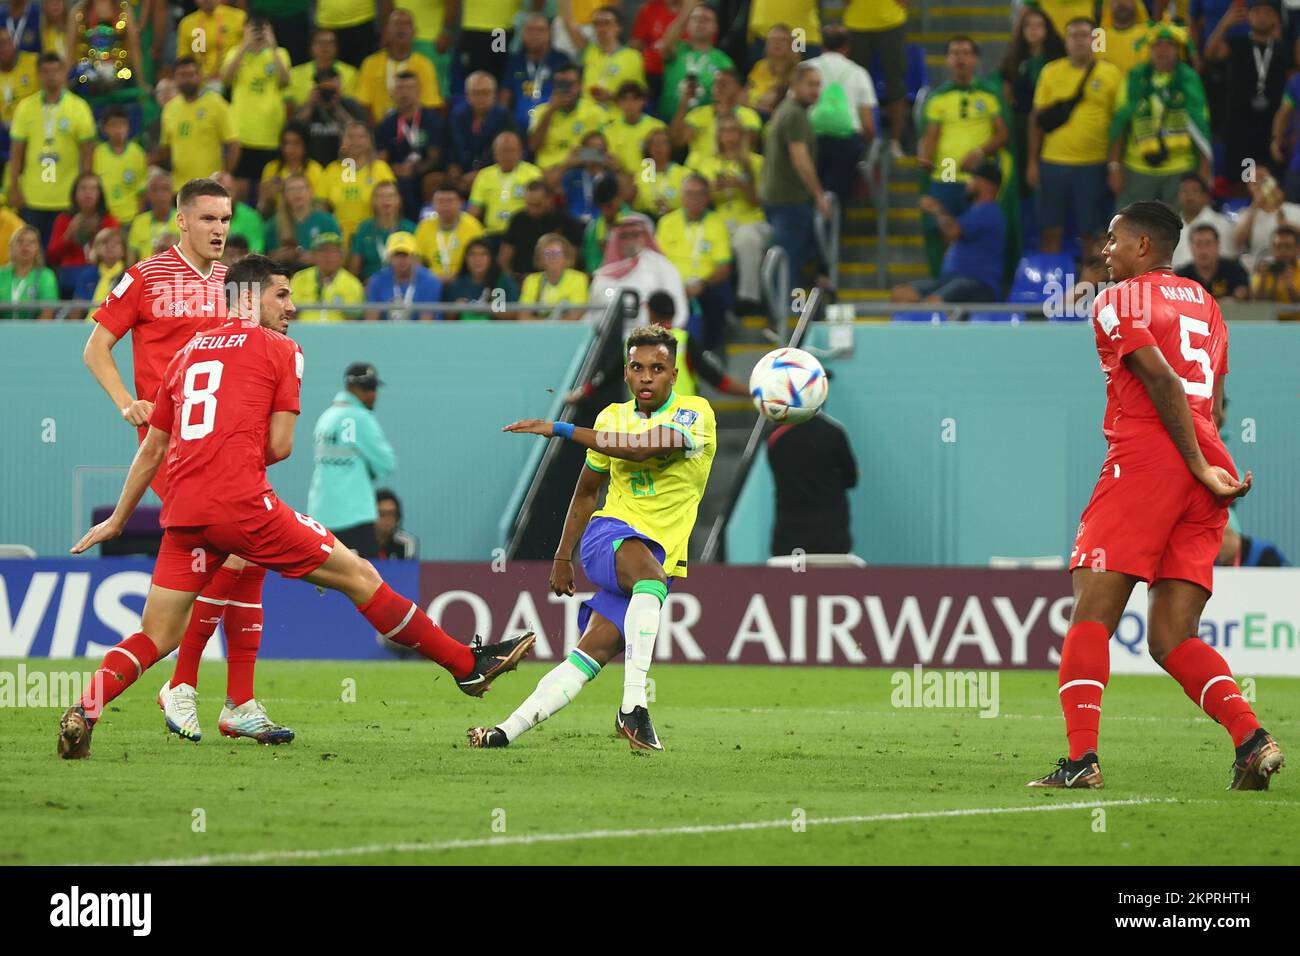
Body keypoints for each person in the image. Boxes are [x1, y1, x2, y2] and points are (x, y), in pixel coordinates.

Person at [62, 255, 536, 759]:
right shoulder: (280, 348)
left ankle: (84, 710)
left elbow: (153, 449)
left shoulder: (185, 354)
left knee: (155, 634)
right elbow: (281, 445)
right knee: (359, 575)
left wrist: (118, 518)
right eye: (281, 295)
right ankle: (467, 666)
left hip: (184, 512)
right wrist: (235, 456)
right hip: (243, 506)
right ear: (247, 297)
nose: (293, 305)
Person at [1029, 200, 1284, 792]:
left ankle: (1080, 761)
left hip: (1151, 460)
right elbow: (1213, 402)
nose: (1104, 252)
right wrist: (1206, 467)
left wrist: (1188, 462)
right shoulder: (1210, 306)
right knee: (1173, 635)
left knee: (1090, 612)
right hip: (1208, 465)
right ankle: (1251, 740)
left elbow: (1162, 379)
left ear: (1143, 246)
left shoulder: (1118, 299)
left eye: (1113, 240)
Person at [82, 177, 288, 745]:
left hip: (235, 445)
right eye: (208, 219)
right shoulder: (146, 277)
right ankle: (190, 686)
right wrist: (129, 403)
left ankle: (236, 701)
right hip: (175, 449)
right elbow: (95, 347)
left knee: (249, 559)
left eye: (225, 219)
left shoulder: (236, 283)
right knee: (235, 554)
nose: (219, 230)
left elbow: (260, 345)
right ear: (182, 221)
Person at [468, 324, 716, 751]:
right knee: (650, 581)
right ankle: (633, 708)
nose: (646, 377)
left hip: (658, 557)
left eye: (657, 368)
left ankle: (503, 732)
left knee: (589, 655)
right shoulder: (610, 418)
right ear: (626, 372)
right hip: (611, 535)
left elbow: (640, 449)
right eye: (637, 368)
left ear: (674, 375)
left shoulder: (694, 414)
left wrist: (560, 429)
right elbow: (585, 493)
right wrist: (563, 557)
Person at [1027, 17, 1122, 256]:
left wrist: (1114, 165)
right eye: (1073, 35)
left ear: (1094, 40)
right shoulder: (1050, 71)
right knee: (1050, 229)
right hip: (1053, 162)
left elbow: (1119, 124)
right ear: (1066, 41)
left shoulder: (1111, 73)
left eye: (1084, 35)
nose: (1079, 41)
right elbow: (1036, 120)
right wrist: (1032, 161)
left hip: (1094, 164)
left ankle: (1091, 287)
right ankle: (1049, 283)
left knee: (1093, 233)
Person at [917, 36, 1009, 278]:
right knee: (945, 234)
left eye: (966, 53)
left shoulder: (989, 94)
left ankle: (978, 284)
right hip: (945, 175)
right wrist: (924, 155)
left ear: (976, 59)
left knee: (977, 234)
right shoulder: (937, 97)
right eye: (955, 53)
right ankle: (947, 285)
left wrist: (980, 152)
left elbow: (1003, 134)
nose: (960, 58)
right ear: (947, 60)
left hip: (977, 180)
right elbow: (931, 135)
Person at [567, 288, 750, 401]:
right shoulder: (684, 341)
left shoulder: (634, 343)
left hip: (646, 422)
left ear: (650, 312)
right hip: (683, 423)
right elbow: (719, 381)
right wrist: (753, 393)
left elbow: (607, 376)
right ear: (673, 313)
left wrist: (582, 392)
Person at [1108, 21, 1212, 209]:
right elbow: (1120, 123)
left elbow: (1201, 126)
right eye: (1156, 45)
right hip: (1137, 168)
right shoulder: (1134, 78)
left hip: (1181, 169)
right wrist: (1114, 166)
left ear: (1178, 50)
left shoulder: (1189, 79)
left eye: (1168, 45)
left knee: (1178, 230)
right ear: (1149, 49)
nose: (1162, 50)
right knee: (1131, 227)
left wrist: (1204, 170)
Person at [760, 63, 832, 313]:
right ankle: (782, 320)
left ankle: (786, 316)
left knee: (793, 258)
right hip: (789, 199)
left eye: (818, 85)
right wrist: (819, 195)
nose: (816, 90)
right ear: (796, 84)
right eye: (811, 84)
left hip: (779, 198)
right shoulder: (795, 114)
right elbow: (800, 159)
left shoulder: (786, 110)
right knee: (789, 262)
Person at [308, 361, 396, 555]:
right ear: (350, 387)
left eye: (373, 388)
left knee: (322, 582)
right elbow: (387, 463)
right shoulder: (360, 418)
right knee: (367, 581)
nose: (372, 394)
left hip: (320, 516)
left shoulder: (326, 417)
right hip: (355, 517)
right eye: (366, 388)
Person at [7, 52, 94, 245]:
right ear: (38, 75)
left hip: (66, 198)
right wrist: (14, 186)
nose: (51, 76)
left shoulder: (79, 107)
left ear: (64, 72)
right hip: (32, 197)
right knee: (32, 250)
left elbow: (87, 152)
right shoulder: (25, 107)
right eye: (45, 71)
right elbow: (17, 152)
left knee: (63, 251)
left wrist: (85, 192)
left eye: (55, 70)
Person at [1204, 0, 1291, 194]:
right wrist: (1225, 24)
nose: (1261, 17)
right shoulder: (1238, 44)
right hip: (1240, 129)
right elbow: (1210, 54)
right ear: (1249, 16)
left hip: (1271, 130)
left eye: (1267, 13)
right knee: (1244, 183)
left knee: (1272, 184)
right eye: (1256, 12)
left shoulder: (1283, 50)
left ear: (1275, 18)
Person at [896, 161, 1006, 303]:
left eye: (973, 179)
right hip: (952, 281)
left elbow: (952, 231)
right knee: (902, 294)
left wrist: (936, 209)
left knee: (932, 304)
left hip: (977, 284)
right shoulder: (972, 212)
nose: (968, 182)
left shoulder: (989, 211)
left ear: (988, 185)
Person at [768, 384, 858, 557]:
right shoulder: (834, 432)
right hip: (832, 541)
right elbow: (851, 479)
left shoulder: (774, 436)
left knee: (791, 584)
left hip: (788, 540)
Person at [696, 113, 770, 312]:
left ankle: (748, 298)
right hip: (719, 222)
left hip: (751, 220)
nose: (729, 136)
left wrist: (743, 186)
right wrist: (713, 190)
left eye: (733, 131)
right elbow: (698, 201)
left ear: (741, 134)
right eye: (724, 131)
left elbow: (761, 201)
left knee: (745, 238)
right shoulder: (708, 164)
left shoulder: (756, 162)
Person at [656, 172, 732, 351]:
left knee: (717, 295)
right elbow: (657, 261)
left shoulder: (717, 223)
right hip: (672, 285)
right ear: (682, 197)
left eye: (700, 194)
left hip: (704, 287)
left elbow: (724, 266)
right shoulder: (667, 222)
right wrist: (675, 284)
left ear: (707, 197)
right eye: (690, 193)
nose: (694, 199)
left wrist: (702, 284)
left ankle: (709, 351)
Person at [806, 23, 878, 209]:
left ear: (822, 45)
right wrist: (865, 146)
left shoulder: (805, 69)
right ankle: (834, 231)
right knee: (837, 197)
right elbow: (868, 125)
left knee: (809, 197)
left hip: (809, 140)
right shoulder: (859, 73)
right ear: (847, 48)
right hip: (846, 143)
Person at [219, 14, 292, 198]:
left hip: (270, 135)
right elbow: (225, 78)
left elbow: (285, 80)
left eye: (262, 28)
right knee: (239, 191)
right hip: (242, 134)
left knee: (267, 193)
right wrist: (245, 45)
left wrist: (272, 46)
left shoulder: (280, 53)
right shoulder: (235, 53)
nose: (258, 32)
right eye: (253, 28)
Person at [1000, 5, 1063, 203]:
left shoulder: (1057, 58)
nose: (1033, 29)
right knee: (1022, 175)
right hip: (1021, 122)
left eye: (1039, 25)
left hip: (1049, 123)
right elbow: (1006, 90)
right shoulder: (1014, 58)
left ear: (1047, 29)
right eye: (1028, 25)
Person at [589, 213, 688, 328]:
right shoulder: (605, 273)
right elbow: (595, 309)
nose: (630, 241)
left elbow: (677, 306)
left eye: (635, 235)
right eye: (624, 236)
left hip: (654, 335)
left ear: (645, 237)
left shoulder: (661, 266)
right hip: (614, 335)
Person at [158, 58, 239, 193]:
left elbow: (233, 143)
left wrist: (225, 174)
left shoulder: (216, 103)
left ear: (200, 77)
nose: (187, 80)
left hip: (209, 186)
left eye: (191, 75)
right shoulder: (169, 109)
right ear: (174, 79)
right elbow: (166, 149)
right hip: (180, 188)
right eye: (182, 75)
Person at [374, 71, 445, 223]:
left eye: (409, 88)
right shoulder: (387, 123)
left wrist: (414, 170)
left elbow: (435, 157)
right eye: (399, 89)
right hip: (395, 173)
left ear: (419, 91)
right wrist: (391, 169)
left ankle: (427, 223)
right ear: (393, 93)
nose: (404, 93)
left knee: (429, 181)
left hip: (423, 172)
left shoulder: (432, 120)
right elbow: (381, 156)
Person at [527, 60, 609, 186]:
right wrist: (550, 112)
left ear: (580, 86)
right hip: (549, 172)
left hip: (583, 169)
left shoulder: (595, 112)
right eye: (560, 84)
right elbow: (533, 147)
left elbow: (604, 152)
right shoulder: (540, 112)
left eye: (569, 84)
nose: (565, 89)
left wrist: (579, 157)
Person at [355, 8, 442, 125]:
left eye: (406, 24)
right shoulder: (370, 63)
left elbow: (431, 105)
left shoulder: (425, 65)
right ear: (386, 32)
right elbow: (363, 104)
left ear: (414, 32)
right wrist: (378, 132)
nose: (401, 28)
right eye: (396, 24)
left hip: (414, 129)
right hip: (377, 129)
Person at [322, 121, 397, 248]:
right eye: (350, 136)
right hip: (338, 237)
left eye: (361, 136)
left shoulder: (381, 169)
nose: (355, 141)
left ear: (370, 141)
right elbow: (320, 207)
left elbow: (393, 204)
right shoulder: (331, 170)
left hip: (372, 235)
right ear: (342, 142)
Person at [657, 0, 734, 123]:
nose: (700, 22)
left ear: (716, 27)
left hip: (703, 128)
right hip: (666, 123)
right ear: (687, 23)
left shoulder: (723, 61)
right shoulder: (676, 49)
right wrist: (688, 9)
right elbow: (666, 43)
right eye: (696, 18)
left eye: (706, 19)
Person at [846, 0, 906, 157]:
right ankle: (858, 138)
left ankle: (895, 142)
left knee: (896, 85)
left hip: (891, 20)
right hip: (856, 22)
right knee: (854, 84)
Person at [672, 66, 760, 172]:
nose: (717, 87)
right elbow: (677, 141)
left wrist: (724, 112)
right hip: (697, 174)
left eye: (723, 84)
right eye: (715, 83)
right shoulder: (698, 113)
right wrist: (684, 101)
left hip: (731, 171)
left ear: (738, 89)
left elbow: (748, 144)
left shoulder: (748, 115)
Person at [561, 0, 645, 107]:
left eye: (607, 22)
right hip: (589, 119)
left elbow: (640, 95)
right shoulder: (589, 51)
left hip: (617, 119)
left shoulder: (633, 57)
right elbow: (568, 22)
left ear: (618, 27)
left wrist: (613, 97)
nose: (601, 28)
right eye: (597, 24)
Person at [46, 172, 118, 295]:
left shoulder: (108, 220)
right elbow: (51, 257)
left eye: (93, 189)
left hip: (101, 272)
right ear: (75, 194)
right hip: (70, 273)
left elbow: (117, 253)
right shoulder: (64, 219)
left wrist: (97, 234)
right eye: (83, 188)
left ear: (100, 194)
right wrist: (68, 235)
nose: (88, 193)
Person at [499, 179, 584, 281]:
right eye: (528, 204)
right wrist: (511, 282)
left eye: (537, 205)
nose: (532, 210)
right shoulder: (518, 219)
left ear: (549, 199)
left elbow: (571, 260)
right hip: (521, 280)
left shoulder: (566, 222)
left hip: (556, 281)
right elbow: (504, 258)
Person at [446, 70, 515, 193]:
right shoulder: (457, 116)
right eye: (476, 93)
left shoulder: (504, 117)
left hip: (492, 172)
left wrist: (479, 173)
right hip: (461, 173)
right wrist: (452, 166)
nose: (480, 98)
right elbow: (448, 145)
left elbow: (503, 153)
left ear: (494, 95)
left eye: (485, 93)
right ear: (467, 94)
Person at [467, 131, 542, 239]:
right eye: (503, 151)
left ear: (520, 152)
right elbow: (474, 211)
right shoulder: (485, 175)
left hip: (523, 234)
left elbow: (538, 208)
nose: (507, 155)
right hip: (493, 234)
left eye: (511, 151)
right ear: (495, 153)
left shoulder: (532, 173)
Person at [292, 64, 369, 169]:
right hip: (312, 167)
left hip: (344, 166)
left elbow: (359, 132)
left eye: (331, 87)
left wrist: (338, 108)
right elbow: (293, 130)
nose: (327, 92)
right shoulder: (308, 106)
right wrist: (309, 105)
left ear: (339, 85)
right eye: (323, 86)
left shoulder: (350, 106)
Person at [502, 13, 569, 131]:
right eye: (530, 30)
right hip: (519, 130)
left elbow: (567, 96)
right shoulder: (515, 62)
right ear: (522, 34)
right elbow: (504, 97)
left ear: (550, 34)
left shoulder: (561, 61)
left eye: (540, 30)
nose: (535, 35)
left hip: (553, 127)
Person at [265, 174, 340, 271]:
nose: (297, 193)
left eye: (301, 188)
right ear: (284, 195)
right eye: (291, 189)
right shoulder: (274, 224)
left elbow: (340, 255)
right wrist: (277, 257)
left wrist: (316, 258)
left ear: (311, 193)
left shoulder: (327, 221)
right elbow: (264, 258)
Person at [415, 187, 485, 287]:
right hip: (431, 281)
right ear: (433, 204)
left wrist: (456, 278)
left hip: (463, 281)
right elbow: (417, 262)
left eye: (450, 201)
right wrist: (431, 279)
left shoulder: (473, 227)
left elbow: (479, 260)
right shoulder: (424, 227)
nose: (445, 206)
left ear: (461, 203)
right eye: (440, 201)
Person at [364, 230, 442, 320]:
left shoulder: (430, 281)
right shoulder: (377, 281)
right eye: (397, 255)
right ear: (389, 258)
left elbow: (426, 324)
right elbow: (371, 322)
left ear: (414, 257)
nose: (401, 260)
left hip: (419, 332)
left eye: (405, 255)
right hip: (387, 332)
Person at [348, 180, 416, 281]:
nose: (386, 200)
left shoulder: (410, 229)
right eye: (380, 197)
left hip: (402, 284)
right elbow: (354, 270)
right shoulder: (364, 229)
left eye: (391, 196)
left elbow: (417, 267)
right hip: (369, 284)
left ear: (399, 200)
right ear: (373, 201)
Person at [290, 232, 365, 322]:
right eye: (323, 251)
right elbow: (290, 313)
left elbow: (352, 319)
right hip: (303, 332)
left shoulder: (352, 283)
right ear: (313, 256)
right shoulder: (300, 278)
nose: (329, 256)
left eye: (334, 252)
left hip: (338, 334)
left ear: (342, 257)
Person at [92, 105, 147, 227]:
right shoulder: (98, 153)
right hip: (105, 218)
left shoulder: (137, 153)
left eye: (122, 125)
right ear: (105, 128)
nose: (118, 130)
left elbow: (142, 191)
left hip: (130, 218)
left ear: (128, 127)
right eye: (113, 125)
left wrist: (138, 218)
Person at [257, 124, 325, 220]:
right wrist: (268, 198)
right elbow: (261, 210)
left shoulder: (315, 170)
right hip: (278, 221)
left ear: (305, 145)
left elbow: (320, 207)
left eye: (296, 143)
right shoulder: (271, 168)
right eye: (286, 143)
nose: (289, 149)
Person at [519, 231, 589, 320]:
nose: (553, 258)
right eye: (548, 254)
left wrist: (551, 327)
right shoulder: (531, 280)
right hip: (537, 332)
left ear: (566, 257)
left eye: (558, 253)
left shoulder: (579, 279)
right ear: (540, 258)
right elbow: (523, 317)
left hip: (568, 332)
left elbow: (575, 316)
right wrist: (548, 326)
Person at [445, 237, 520, 320]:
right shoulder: (458, 284)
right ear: (466, 259)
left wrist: (490, 309)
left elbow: (516, 313)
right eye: (473, 255)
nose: (478, 259)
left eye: (483, 254)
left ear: (491, 258)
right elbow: (445, 318)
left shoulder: (503, 281)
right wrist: (455, 308)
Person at [1171, 173, 1235, 268]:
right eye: (1184, 191)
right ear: (1178, 196)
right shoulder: (1171, 227)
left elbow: (1229, 260)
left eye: (1194, 190)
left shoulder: (1222, 224)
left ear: (1205, 196)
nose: (1189, 196)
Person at [1174, 224, 1250, 302]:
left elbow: (1243, 295)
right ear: (1191, 247)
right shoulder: (1180, 277)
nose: (1203, 250)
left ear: (1217, 245)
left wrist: (1236, 299)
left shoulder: (1235, 271)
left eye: (1208, 243)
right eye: (1198, 244)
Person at [176, 0, 245, 85]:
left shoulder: (239, 18)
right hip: (200, 84)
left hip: (234, 81)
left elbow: (248, 53)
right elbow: (184, 59)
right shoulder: (187, 24)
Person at [604, 81, 665, 177]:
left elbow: (661, 162)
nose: (629, 104)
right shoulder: (610, 130)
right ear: (618, 103)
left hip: (650, 181)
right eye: (624, 99)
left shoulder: (657, 127)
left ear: (643, 101)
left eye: (635, 99)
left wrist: (644, 181)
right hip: (622, 182)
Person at [286, 28, 358, 109]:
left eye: (330, 43)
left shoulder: (351, 72)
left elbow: (355, 105)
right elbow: (289, 106)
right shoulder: (295, 73)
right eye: (320, 42)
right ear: (311, 47)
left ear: (337, 47)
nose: (325, 47)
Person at [560, 130, 620, 223]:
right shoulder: (572, 175)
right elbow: (553, 189)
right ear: (582, 151)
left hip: (601, 224)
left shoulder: (610, 178)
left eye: (599, 150)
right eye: (590, 150)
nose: (594, 153)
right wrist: (566, 165)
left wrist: (617, 170)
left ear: (605, 151)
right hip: (574, 224)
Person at [0, 223, 55, 318]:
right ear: (11, 247)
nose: (25, 246)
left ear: (38, 248)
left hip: (34, 331)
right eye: (20, 241)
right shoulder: (1, 275)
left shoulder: (46, 276)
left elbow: (47, 313)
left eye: (31, 242)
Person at [634, 126, 690, 220]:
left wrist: (672, 211)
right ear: (648, 148)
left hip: (677, 221)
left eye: (663, 143)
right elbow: (637, 207)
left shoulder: (685, 174)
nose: (658, 147)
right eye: (654, 143)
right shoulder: (639, 177)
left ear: (670, 147)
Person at [1248, 222, 1300, 315]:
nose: (1283, 251)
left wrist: (1290, 287)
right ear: (1272, 249)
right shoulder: (1264, 269)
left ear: (1297, 249)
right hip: (1271, 325)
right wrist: (1263, 283)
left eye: (1288, 247)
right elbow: (1258, 307)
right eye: (1278, 247)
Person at [375, 489, 418, 559]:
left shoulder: (406, 543)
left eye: (391, 514)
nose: (387, 519)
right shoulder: (360, 542)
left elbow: (408, 569)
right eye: (382, 514)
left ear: (397, 516)